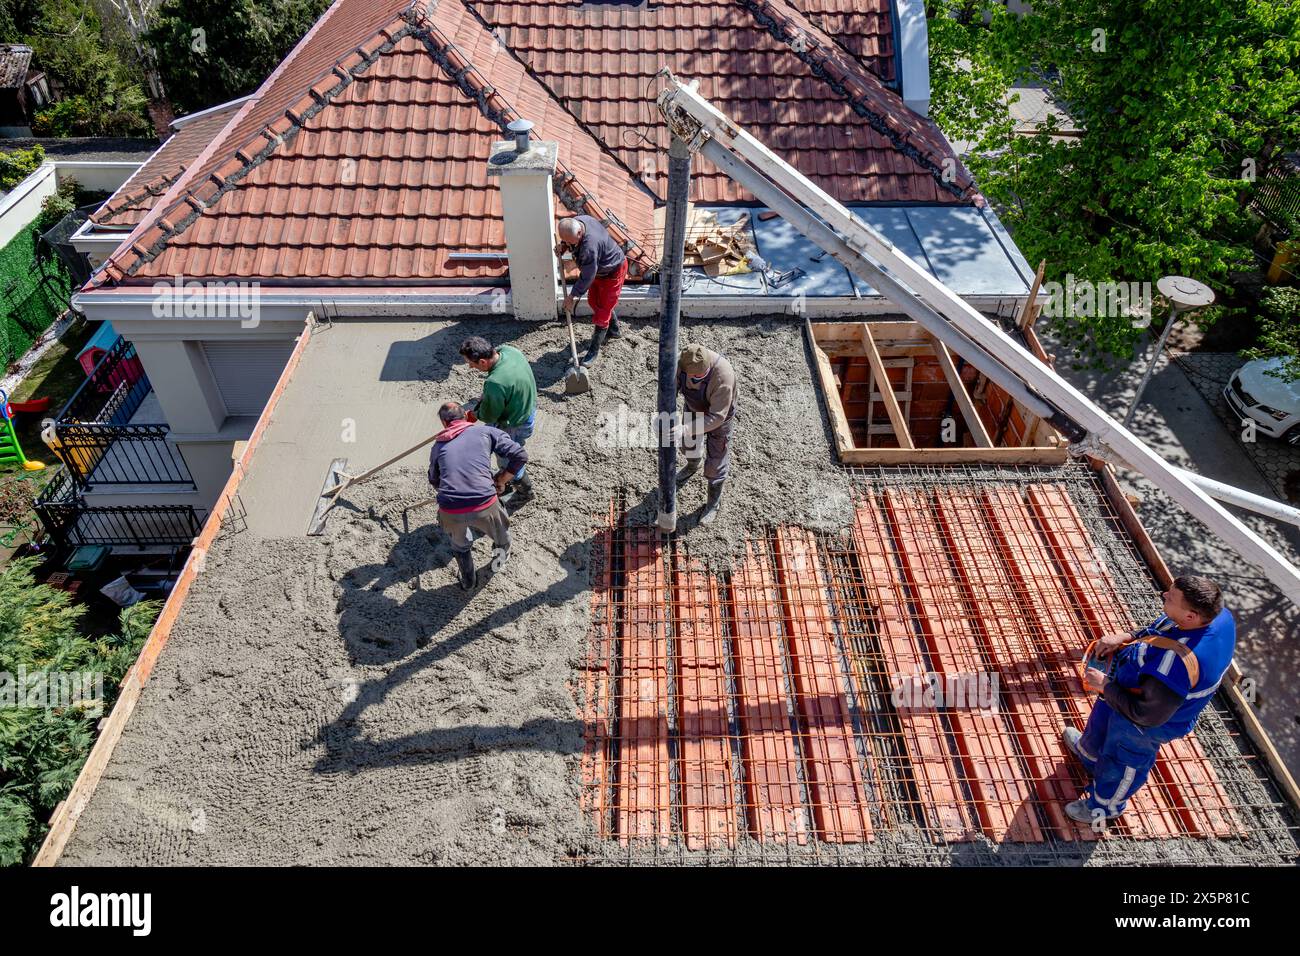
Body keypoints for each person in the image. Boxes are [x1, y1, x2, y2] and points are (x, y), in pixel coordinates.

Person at [1063, 575, 1235, 826]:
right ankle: (1089, 757)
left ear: (1191, 616)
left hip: (1144, 722)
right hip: (1132, 690)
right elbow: (1164, 628)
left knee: (1123, 759)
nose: (1164, 595)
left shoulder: (1174, 664)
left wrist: (1105, 686)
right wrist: (1127, 636)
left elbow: (1145, 715)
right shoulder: (1218, 617)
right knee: (1102, 721)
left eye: (1171, 597)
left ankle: (1104, 807)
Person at [427, 401, 527, 591]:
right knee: (501, 537)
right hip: (484, 503)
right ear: (465, 415)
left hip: (450, 508)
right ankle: (498, 563)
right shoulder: (486, 432)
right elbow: (520, 455)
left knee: (460, 544)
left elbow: (434, 480)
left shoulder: (437, 447)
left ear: (444, 423)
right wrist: (502, 479)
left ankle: (468, 581)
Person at [459, 335, 537, 503]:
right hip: (527, 408)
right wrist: (487, 397)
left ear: (482, 362)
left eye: (471, 363)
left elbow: (489, 415)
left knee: (508, 458)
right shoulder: (509, 351)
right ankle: (509, 479)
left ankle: (524, 491)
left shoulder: (495, 383)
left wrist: (474, 414)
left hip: (514, 423)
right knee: (515, 449)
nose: (470, 367)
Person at [671, 342, 737, 526]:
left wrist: (685, 428)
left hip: (719, 419)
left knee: (717, 460)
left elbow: (716, 417)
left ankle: (713, 502)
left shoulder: (722, 376)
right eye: (689, 375)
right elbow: (670, 388)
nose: (693, 378)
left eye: (698, 376)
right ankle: (693, 465)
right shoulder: (680, 362)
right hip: (693, 409)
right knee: (688, 445)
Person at [555, 215, 626, 368]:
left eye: (569, 241)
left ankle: (593, 350)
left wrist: (572, 296)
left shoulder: (589, 248)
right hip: (599, 271)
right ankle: (614, 330)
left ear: (580, 233)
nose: (567, 243)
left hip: (613, 272)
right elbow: (570, 239)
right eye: (565, 240)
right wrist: (564, 246)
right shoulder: (581, 220)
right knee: (594, 301)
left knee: (602, 312)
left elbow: (587, 276)